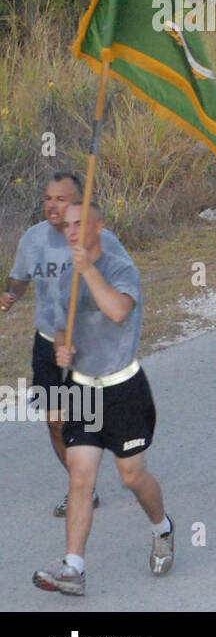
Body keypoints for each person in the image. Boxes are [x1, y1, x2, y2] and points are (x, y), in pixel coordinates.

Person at [33, 203, 173, 596]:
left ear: (99, 226)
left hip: (124, 388)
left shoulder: (119, 269)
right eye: (68, 226)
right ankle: (73, 567)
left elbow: (116, 311)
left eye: (81, 224)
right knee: (80, 477)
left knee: (131, 476)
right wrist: (62, 350)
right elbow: (61, 328)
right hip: (83, 388)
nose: (72, 231)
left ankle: (162, 527)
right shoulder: (65, 280)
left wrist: (89, 270)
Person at [2, 173, 122, 516]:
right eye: (48, 198)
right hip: (47, 342)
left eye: (61, 199)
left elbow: (122, 282)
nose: (52, 206)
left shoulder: (102, 239)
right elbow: (20, 277)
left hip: (89, 345)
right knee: (55, 421)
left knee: (92, 418)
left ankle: (121, 460)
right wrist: (12, 294)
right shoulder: (32, 239)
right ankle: (82, 488)